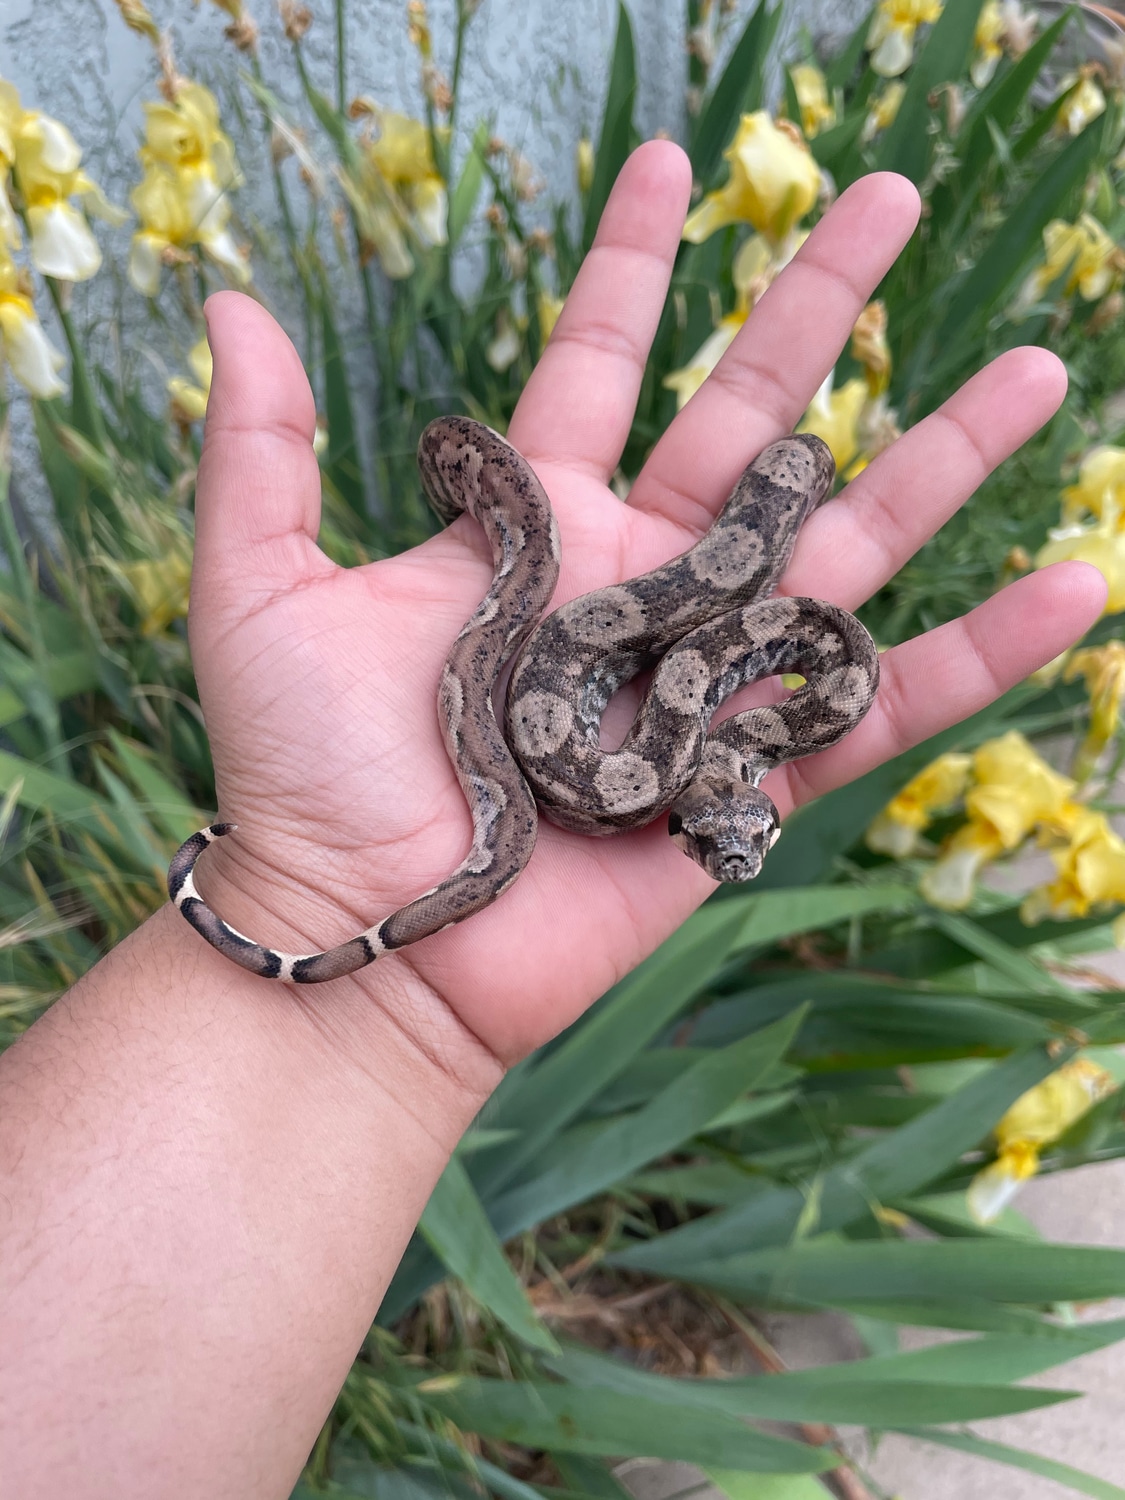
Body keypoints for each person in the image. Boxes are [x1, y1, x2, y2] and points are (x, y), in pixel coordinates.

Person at [0, 145, 1106, 1497]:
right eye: (724, 835)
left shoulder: (737, 718)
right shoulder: (688, 734)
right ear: (725, 793)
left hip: (672, 663)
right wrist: (302, 881)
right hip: (623, 664)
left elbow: (716, 692)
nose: (721, 850)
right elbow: (686, 686)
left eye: (719, 841)